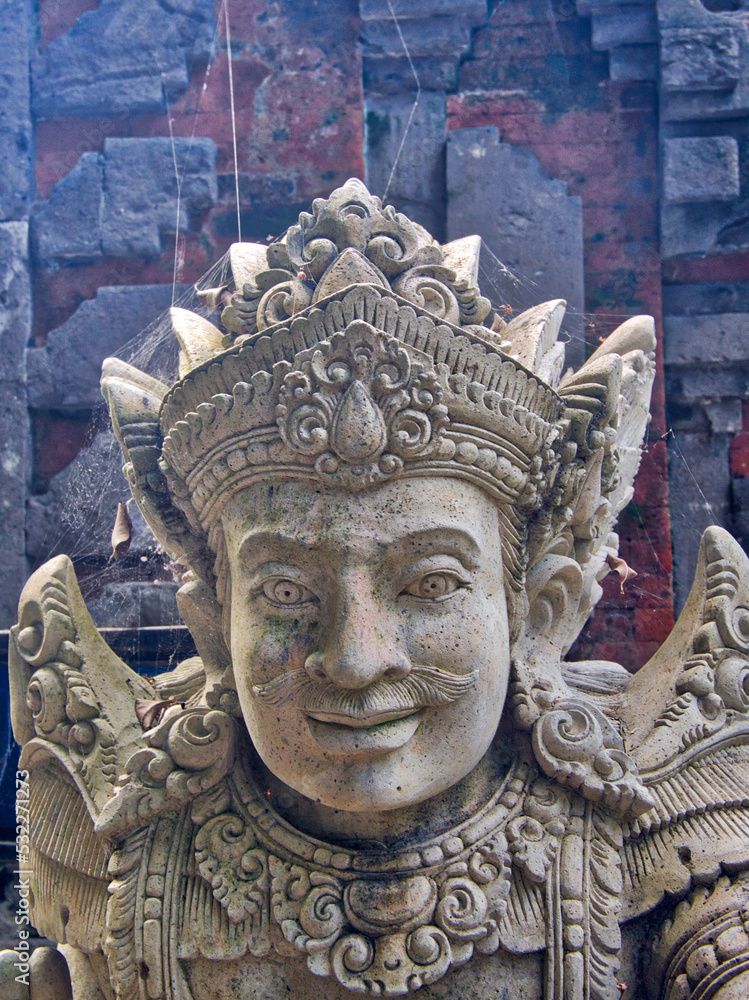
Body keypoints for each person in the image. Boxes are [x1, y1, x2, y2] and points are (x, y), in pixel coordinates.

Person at [7, 180, 749, 1000]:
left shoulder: (643, 848)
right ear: (216, 628)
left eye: (429, 583)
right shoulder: (137, 858)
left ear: (536, 615)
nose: (357, 660)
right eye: (287, 594)